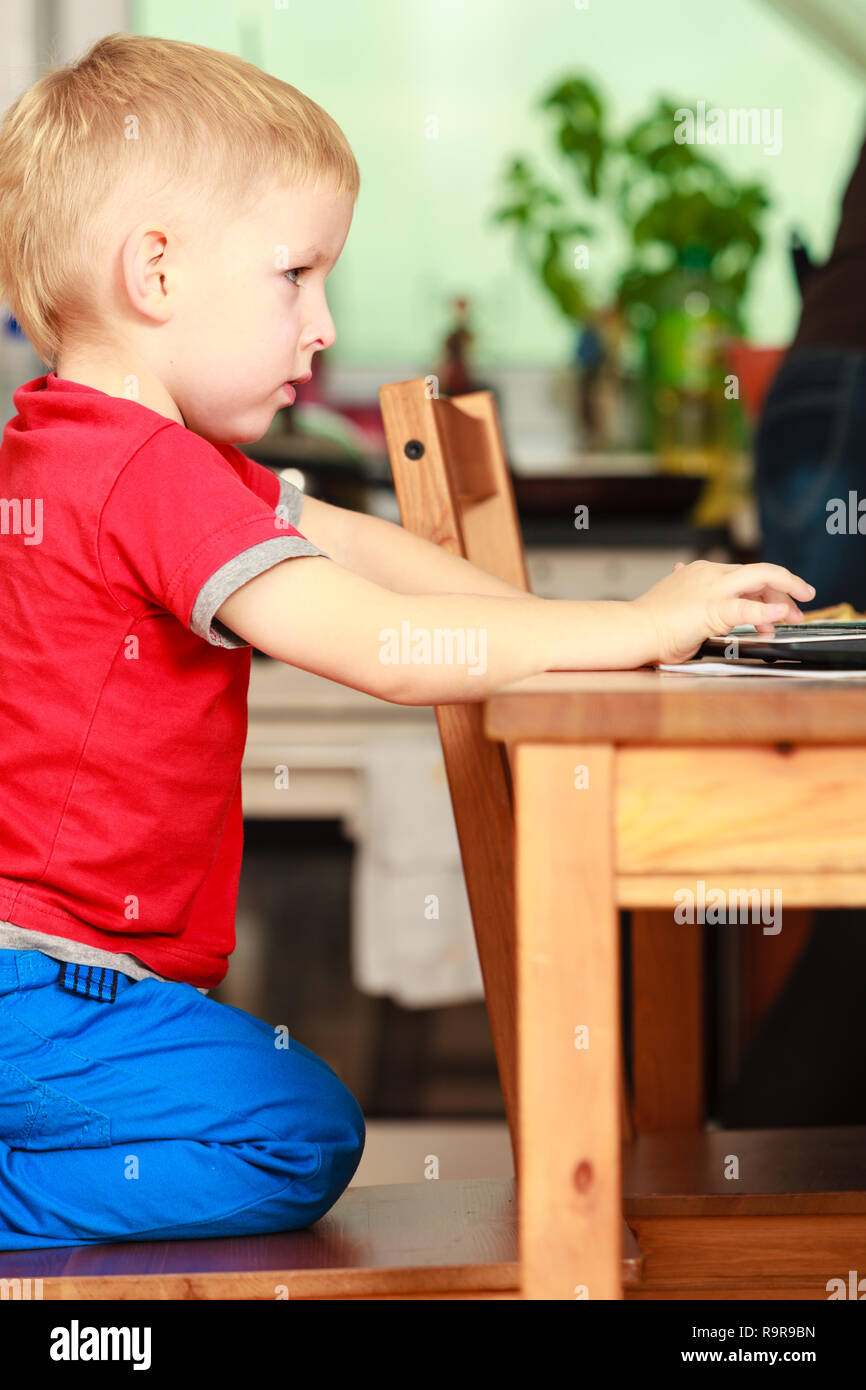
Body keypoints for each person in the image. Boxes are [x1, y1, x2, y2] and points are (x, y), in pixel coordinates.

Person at [0, 33, 812, 1250]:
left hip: (63, 990)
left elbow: (365, 552)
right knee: (293, 1132)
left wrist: (600, 633)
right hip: (43, 990)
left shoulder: (107, 452)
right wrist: (636, 624)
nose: (323, 323)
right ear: (154, 274)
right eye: (295, 275)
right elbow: (378, 641)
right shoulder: (144, 475)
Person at [721, 128, 866, 1128]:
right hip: (849, 388)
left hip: (821, 380)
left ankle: (781, 1118)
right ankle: (784, 1120)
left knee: (818, 748)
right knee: (827, 767)